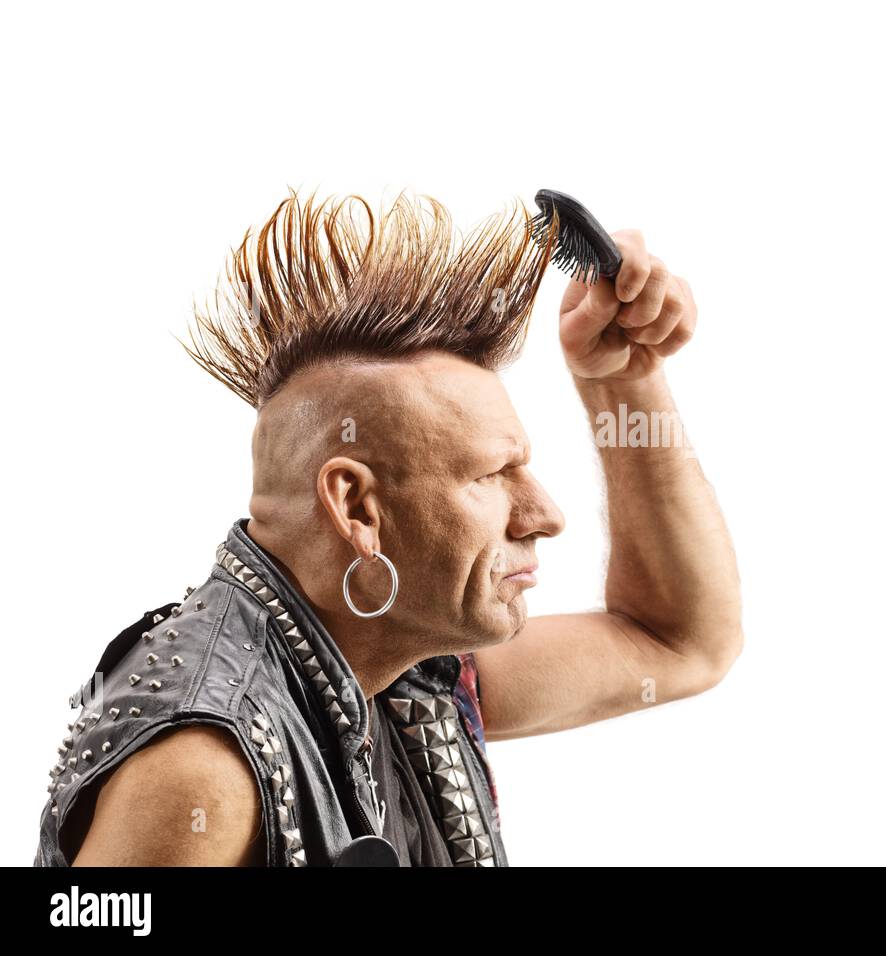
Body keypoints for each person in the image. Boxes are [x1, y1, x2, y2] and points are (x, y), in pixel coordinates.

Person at [34, 190, 743, 866]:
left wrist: (622, 379)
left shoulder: (402, 666)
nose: (545, 515)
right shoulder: (206, 772)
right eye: (490, 475)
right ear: (358, 509)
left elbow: (679, 639)